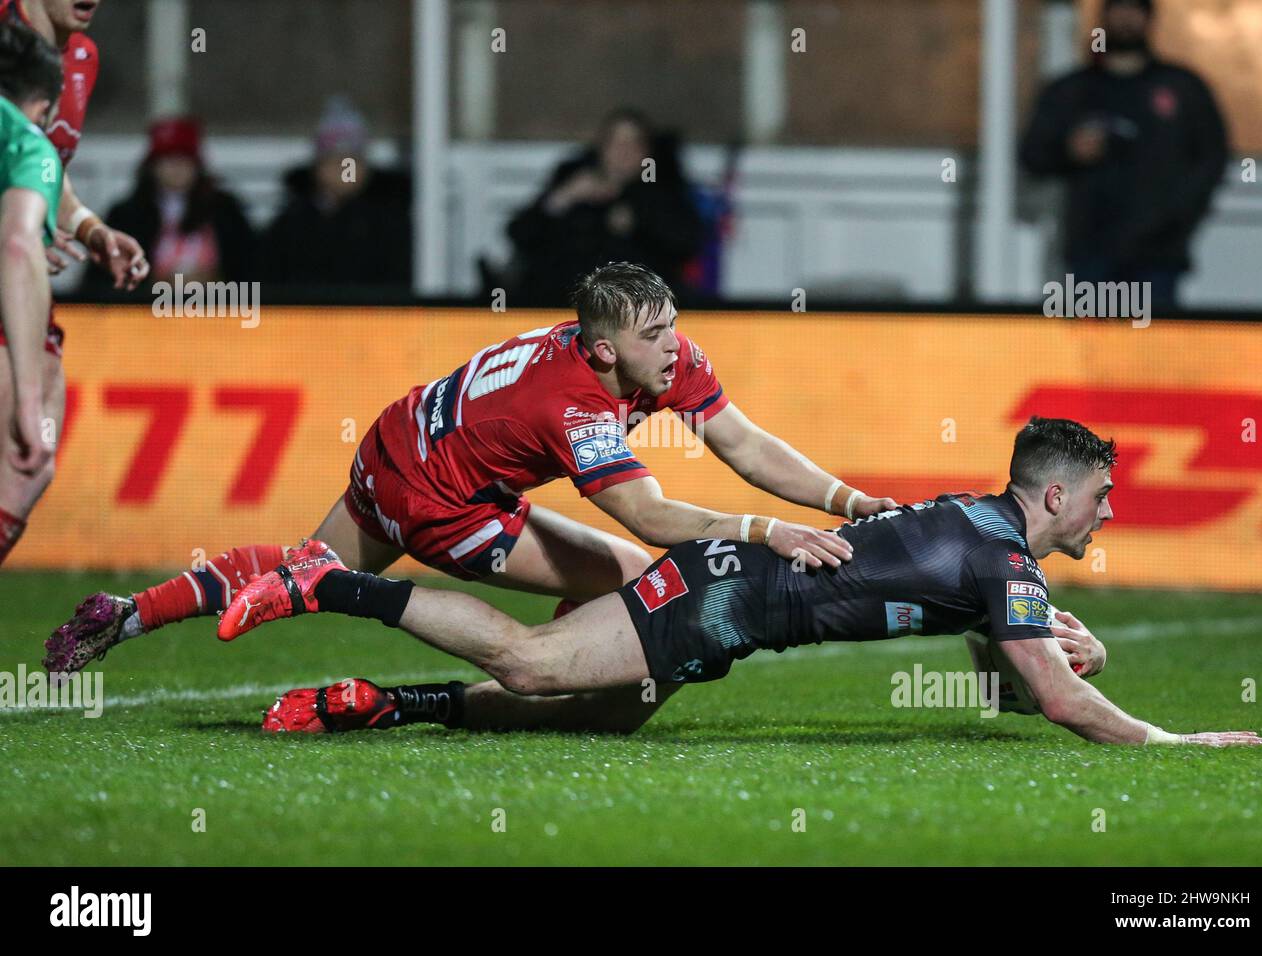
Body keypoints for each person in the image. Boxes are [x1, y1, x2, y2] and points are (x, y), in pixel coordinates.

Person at [45, 262, 897, 735]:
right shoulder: (575, 401)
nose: (675, 348)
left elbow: (743, 444)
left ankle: (129, 613)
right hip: (442, 497)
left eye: (674, 323)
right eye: (654, 335)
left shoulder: (652, 355)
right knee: (636, 575)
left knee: (300, 566)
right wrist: (771, 530)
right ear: (602, 351)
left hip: (398, 437)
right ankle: (553, 681)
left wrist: (849, 500)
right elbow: (648, 516)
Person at [238, 418, 1262, 749]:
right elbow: (1047, 696)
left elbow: (1004, 680)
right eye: (1098, 498)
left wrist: (1046, 648)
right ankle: (322, 585)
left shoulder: (989, 532)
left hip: (726, 607)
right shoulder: (1001, 557)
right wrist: (1173, 741)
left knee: (602, 721)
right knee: (532, 662)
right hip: (712, 596)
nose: (1108, 513)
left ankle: (381, 703)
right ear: (1048, 499)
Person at [0, 0, 150, 566]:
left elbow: (42, 164)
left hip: (17, 268)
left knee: (29, 465)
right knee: (26, 452)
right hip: (10, 262)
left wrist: (88, 229)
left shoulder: (80, 57)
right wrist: (19, 227)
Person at [1019, 0, 1228, 312]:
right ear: (1103, 18)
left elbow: (1212, 159)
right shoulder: (1073, 91)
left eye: (1135, 10)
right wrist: (1070, 151)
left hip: (1158, 252)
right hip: (1090, 249)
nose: (1126, 19)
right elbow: (1031, 155)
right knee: (1094, 351)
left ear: (1149, 18)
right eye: (1118, 10)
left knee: (1151, 351)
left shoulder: (1182, 88)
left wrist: (1179, 218)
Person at [503, 109, 702, 306]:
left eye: (633, 143)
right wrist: (562, 198)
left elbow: (688, 242)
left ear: (647, 152)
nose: (624, 151)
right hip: (560, 302)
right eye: (616, 142)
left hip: (634, 309)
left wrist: (640, 219)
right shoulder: (572, 179)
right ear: (601, 147)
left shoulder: (662, 189)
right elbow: (519, 234)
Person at [0, 20, 63, 563]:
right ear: (41, 106)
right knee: (27, 472)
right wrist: (26, 400)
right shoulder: (27, 144)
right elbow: (18, 248)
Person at [79, 116, 255, 292]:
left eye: (184, 159)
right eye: (167, 159)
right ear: (152, 166)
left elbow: (250, 270)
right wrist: (156, 283)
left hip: (217, 312)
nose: (176, 167)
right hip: (145, 313)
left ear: (197, 165)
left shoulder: (225, 211)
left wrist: (214, 281)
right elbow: (102, 279)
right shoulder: (127, 216)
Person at [259, 95, 411, 289]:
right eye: (335, 160)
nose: (345, 170)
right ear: (318, 167)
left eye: (352, 161)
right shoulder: (292, 225)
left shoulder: (388, 225)